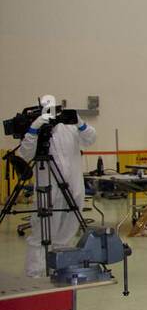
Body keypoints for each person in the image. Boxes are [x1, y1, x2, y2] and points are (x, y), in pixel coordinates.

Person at [15, 95, 96, 277]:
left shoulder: (69, 127)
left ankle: (61, 268)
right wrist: (34, 129)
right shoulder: (37, 128)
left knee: (68, 232)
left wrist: (80, 123)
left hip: (74, 188)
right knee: (42, 232)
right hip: (48, 189)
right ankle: (35, 273)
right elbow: (24, 154)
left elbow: (91, 138)